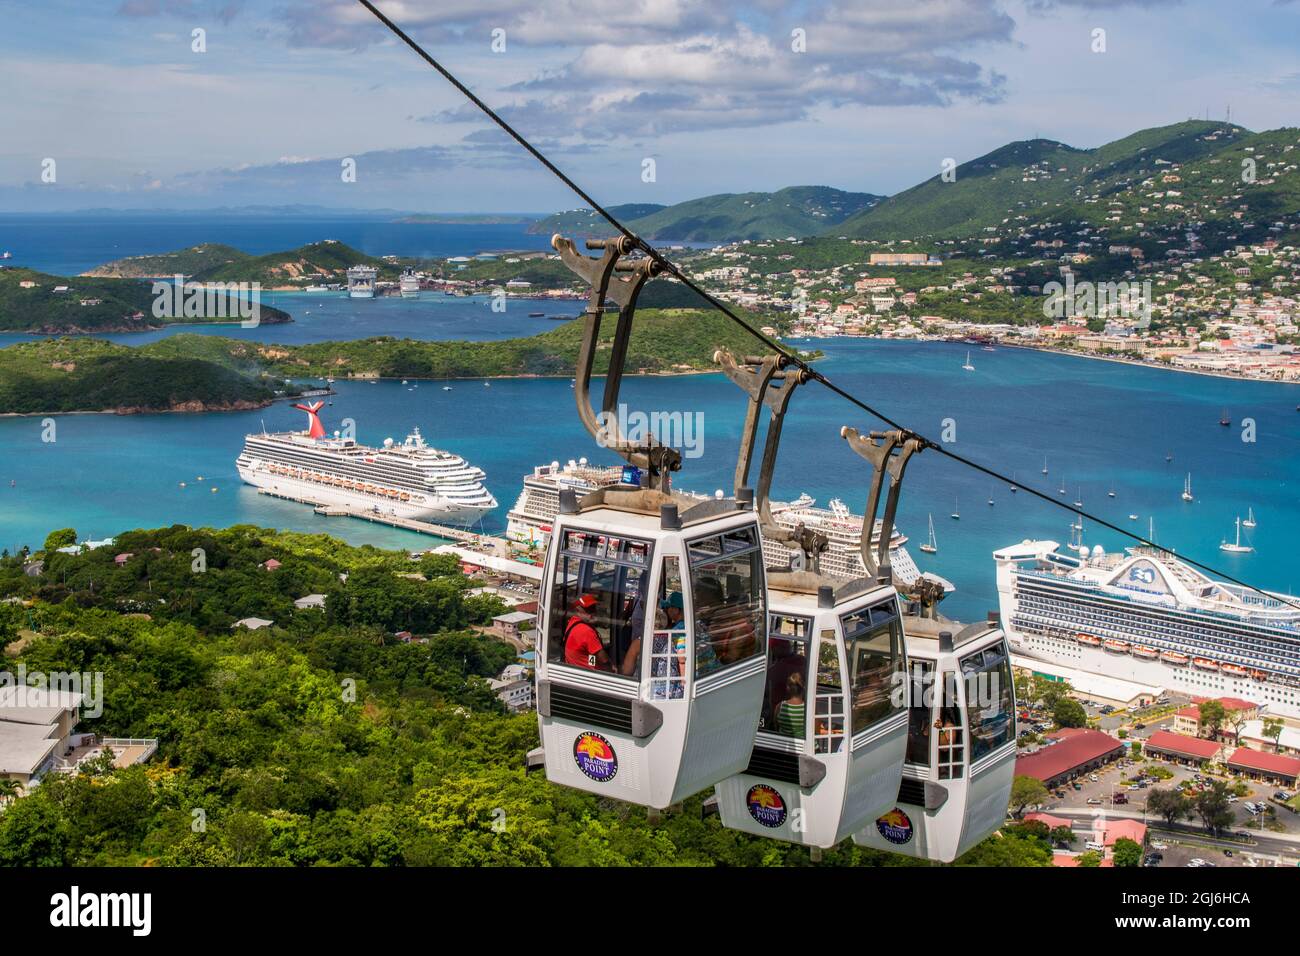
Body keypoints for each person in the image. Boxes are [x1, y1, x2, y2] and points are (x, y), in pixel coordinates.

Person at [564, 594, 610, 670]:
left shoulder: (573, 622)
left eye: (594, 608)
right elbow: (604, 660)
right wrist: (612, 668)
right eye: (588, 609)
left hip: (577, 670)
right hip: (589, 675)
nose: (593, 612)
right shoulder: (586, 631)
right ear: (577, 610)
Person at [775, 672, 806, 738]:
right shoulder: (808, 709)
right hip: (802, 746)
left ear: (788, 688)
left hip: (781, 743)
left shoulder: (779, 706)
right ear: (804, 688)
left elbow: (776, 726)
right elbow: (817, 731)